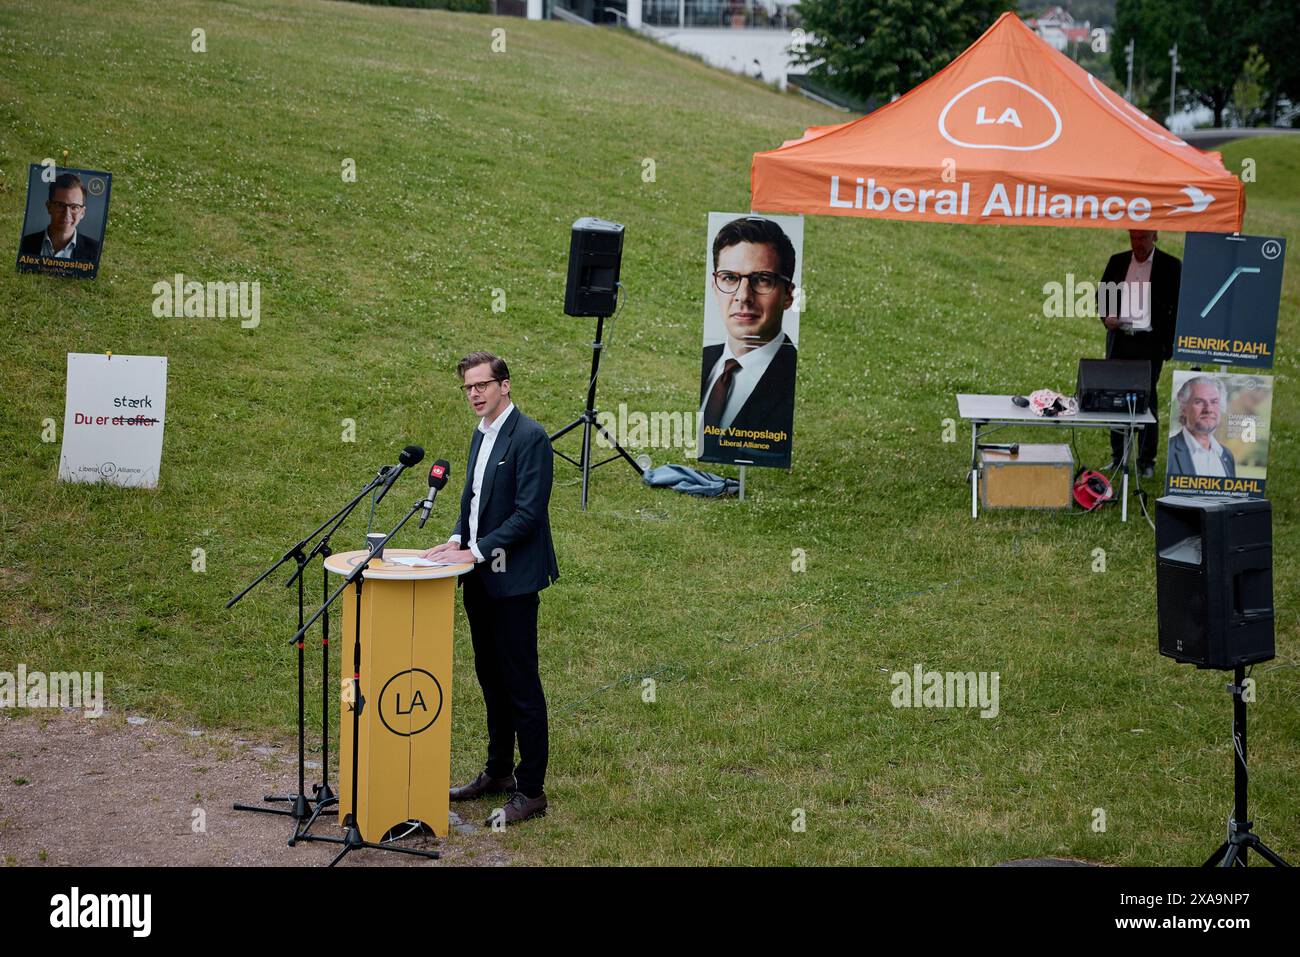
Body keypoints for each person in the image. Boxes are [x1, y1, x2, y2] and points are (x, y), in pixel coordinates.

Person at [421, 352, 559, 826]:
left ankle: (532, 789)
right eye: (468, 388)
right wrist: (459, 537)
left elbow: (528, 514)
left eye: (482, 385)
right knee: (490, 678)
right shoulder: (481, 434)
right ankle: (498, 772)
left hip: (513, 582)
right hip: (479, 576)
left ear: (505, 384)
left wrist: (475, 552)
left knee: (520, 683)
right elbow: (474, 499)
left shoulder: (531, 437)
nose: (475, 394)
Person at [699, 216, 798, 465]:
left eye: (762, 279)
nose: (743, 296)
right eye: (730, 278)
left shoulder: (793, 377)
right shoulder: (706, 359)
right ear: (714, 284)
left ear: (788, 295)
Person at [1098, 229, 1181, 478]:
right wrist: (1107, 316)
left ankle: (1146, 460)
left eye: (1143, 238)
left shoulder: (1170, 265)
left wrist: (1168, 345)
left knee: (1147, 399)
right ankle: (1118, 456)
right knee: (1115, 398)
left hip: (1150, 343)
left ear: (1154, 236)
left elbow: (1177, 308)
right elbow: (1102, 295)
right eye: (1134, 238)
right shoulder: (1118, 260)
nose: (1138, 244)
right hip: (1121, 339)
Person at [19, 172, 101, 263]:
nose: (67, 214)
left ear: (82, 213)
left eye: (74, 207)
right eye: (60, 205)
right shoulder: (23, 244)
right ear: (49, 207)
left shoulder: (96, 251)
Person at [1167, 376, 1236, 478]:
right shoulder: (1170, 452)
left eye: (1214, 402)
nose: (1208, 409)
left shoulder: (1227, 455)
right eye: (1199, 402)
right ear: (1183, 408)